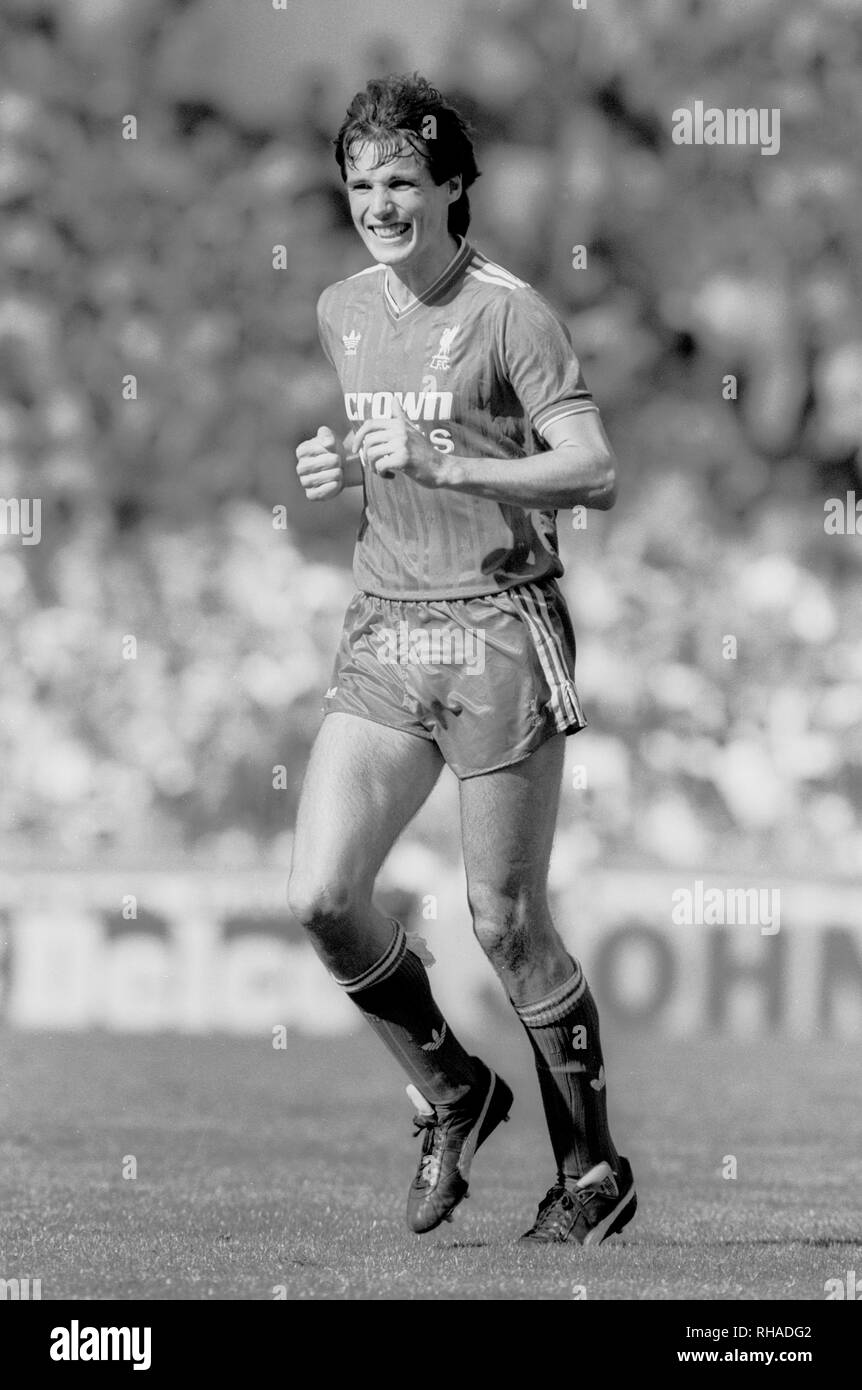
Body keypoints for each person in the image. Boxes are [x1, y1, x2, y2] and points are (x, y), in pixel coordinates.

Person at [288, 72, 636, 1246]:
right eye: (360, 182)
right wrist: (350, 465)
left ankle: (590, 1173)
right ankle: (454, 1091)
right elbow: (398, 437)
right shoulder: (341, 308)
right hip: (387, 626)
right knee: (323, 895)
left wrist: (450, 465)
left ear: (450, 188)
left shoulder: (510, 314)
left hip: (497, 629)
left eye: (401, 181)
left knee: (502, 919)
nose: (379, 202)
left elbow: (589, 470)